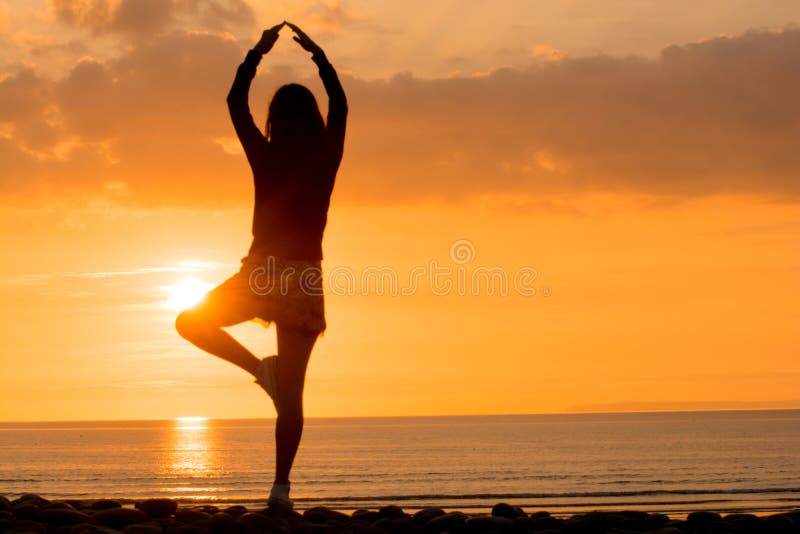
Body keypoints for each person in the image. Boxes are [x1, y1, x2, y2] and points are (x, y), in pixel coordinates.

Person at [174, 21, 347, 509]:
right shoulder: (328, 154)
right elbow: (343, 107)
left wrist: (257, 54)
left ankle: (257, 370)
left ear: (275, 119)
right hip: (304, 278)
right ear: (312, 118)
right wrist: (321, 58)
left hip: (262, 271)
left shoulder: (264, 155)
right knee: (292, 397)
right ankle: (280, 489)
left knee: (190, 321)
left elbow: (233, 103)